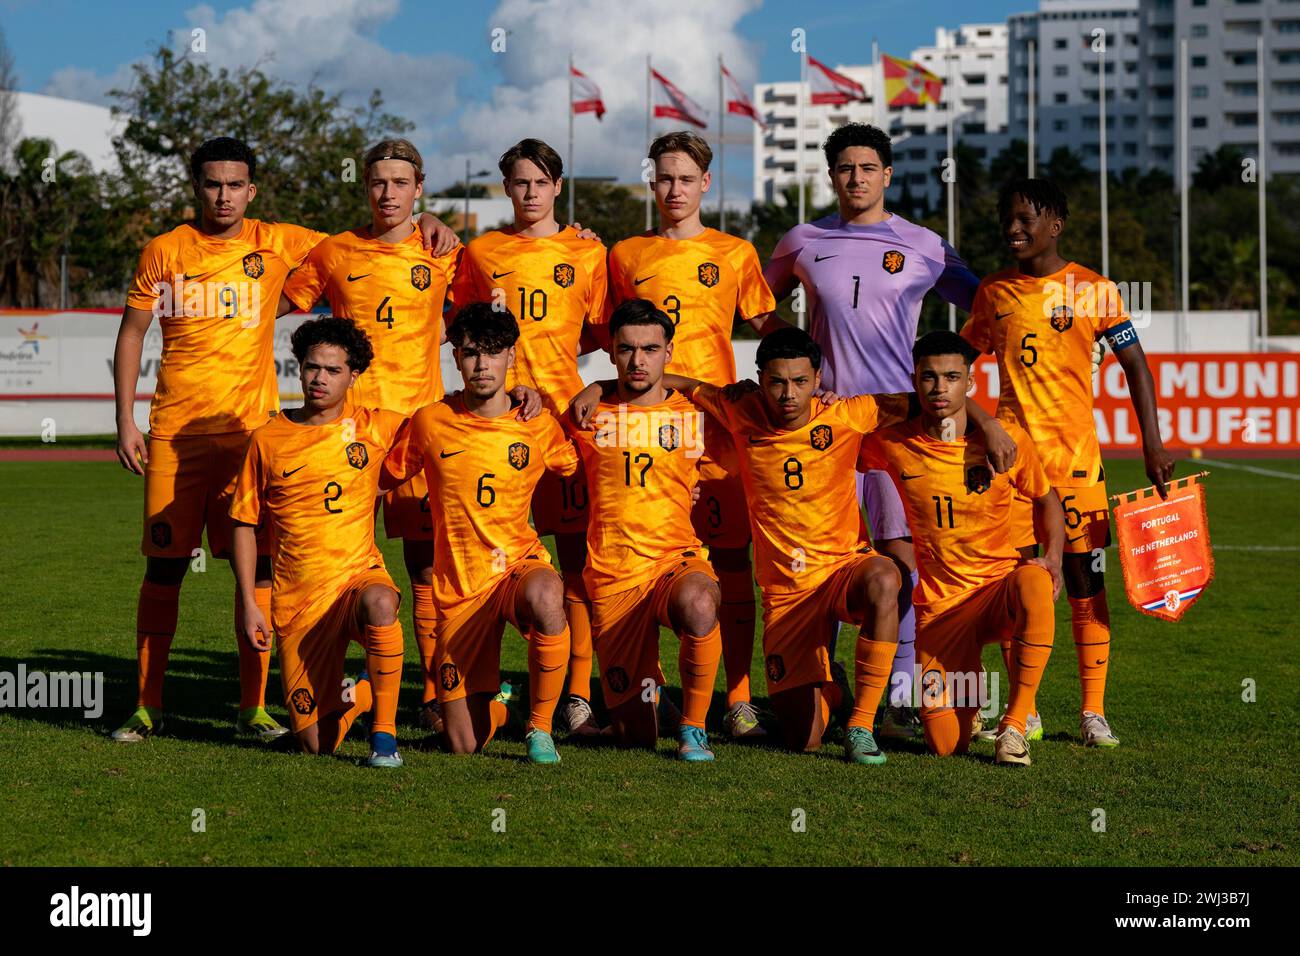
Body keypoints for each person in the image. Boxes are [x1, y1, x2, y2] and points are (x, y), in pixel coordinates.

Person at [111, 136, 458, 744]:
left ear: (252, 190)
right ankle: (147, 704)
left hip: (274, 433)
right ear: (198, 187)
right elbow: (133, 333)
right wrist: (125, 421)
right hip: (177, 434)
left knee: (285, 569)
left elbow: (379, 235)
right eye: (212, 183)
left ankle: (257, 707)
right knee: (165, 569)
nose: (223, 194)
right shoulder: (164, 252)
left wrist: (429, 221)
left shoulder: (283, 241)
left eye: (234, 184)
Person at [764, 121, 1015, 741]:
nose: (856, 178)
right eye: (845, 168)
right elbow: (754, 306)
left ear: (887, 175)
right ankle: (818, 680)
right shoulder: (802, 239)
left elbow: (986, 307)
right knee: (816, 562)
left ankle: (900, 694)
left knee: (903, 562)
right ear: (831, 176)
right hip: (820, 432)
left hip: (898, 430)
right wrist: (795, 358)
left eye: (868, 168)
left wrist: (965, 395)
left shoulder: (923, 245)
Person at [961, 178, 1175, 747]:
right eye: (1007, 218)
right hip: (1012, 464)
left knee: (1085, 581)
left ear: (1055, 224)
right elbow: (957, 368)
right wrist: (980, 427)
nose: (1013, 229)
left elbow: (1136, 366)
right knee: (1018, 583)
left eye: (1026, 219)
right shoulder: (992, 292)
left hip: (1077, 462)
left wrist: (1152, 444)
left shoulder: (1095, 290)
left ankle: (1092, 710)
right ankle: (1023, 710)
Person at [596, 130, 787, 741]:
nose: (674, 189)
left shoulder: (735, 253)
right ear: (651, 183)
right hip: (645, 434)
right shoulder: (624, 254)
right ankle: (633, 690)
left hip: (718, 437)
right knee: (637, 559)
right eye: (663, 178)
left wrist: (822, 367)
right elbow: (608, 334)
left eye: (686, 178)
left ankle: (738, 698)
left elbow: (768, 325)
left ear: (706, 183)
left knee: (730, 566)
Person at [660, 327, 910, 763]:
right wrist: (595, 388)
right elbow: (677, 382)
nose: (787, 394)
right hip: (787, 594)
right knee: (802, 739)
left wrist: (988, 428)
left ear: (818, 379)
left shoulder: (848, 412)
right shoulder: (740, 407)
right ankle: (835, 689)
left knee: (887, 577)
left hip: (843, 569)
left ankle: (862, 725)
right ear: (759, 380)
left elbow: (927, 399)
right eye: (776, 382)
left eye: (799, 381)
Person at [280, 138, 459, 735]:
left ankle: (436, 691)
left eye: (400, 183)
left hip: (417, 431)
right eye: (378, 182)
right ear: (365, 186)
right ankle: (338, 684)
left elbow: (500, 311)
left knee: (425, 568)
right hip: (345, 436)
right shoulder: (334, 251)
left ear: (419, 188)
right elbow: (274, 304)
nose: (388, 193)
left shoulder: (446, 252)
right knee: (336, 563)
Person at [448, 138, 608, 738]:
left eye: (541, 183)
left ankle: (576, 695)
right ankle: (474, 687)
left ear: (558, 187)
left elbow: (600, 333)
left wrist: (558, 377)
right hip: (490, 422)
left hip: (562, 424)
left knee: (572, 566)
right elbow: (464, 329)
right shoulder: (482, 252)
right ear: (507, 189)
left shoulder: (589, 253)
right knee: (482, 557)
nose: (530, 193)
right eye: (519, 183)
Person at [859, 331, 1064, 766]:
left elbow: (1047, 499)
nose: (940, 388)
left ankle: (1014, 724)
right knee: (946, 744)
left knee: (1034, 580)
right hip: (940, 611)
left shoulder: (1007, 443)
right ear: (914, 380)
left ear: (970, 382)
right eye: (928, 377)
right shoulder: (891, 443)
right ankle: (971, 693)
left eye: (952, 377)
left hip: (995, 592)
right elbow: (834, 454)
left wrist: (1055, 559)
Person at [382, 304, 572, 764]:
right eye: (469, 354)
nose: (481, 365)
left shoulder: (537, 423)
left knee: (548, 594)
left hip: (516, 568)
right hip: (459, 590)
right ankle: (505, 701)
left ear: (511, 355)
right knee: (464, 745)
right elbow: (382, 475)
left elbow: (585, 468)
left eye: (492, 353)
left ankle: (540, 728)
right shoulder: (429, 422)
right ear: (457, 358)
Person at [229, 317, 406, 767]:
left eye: (332, 370)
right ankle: (363, 695)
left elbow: (452, 421)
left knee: (382, 602)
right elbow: (244, 524)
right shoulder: (267, 439)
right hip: (298, 604)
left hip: (356, 580)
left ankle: (384, 738)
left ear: (353, 376)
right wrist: (251, 602)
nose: (319, 379)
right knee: (315, 744)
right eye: (312, 368)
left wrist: (525, 397)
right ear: (299, 368)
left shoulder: (380, 427)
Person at [567, 299, 725, 760]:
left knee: (699, 602)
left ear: (669, 352)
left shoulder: (694, 418)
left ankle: (694, 729)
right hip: (614, 575)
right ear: (611, 353)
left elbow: (747, 413)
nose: (638, 360)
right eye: (627, 349)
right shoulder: (585, 417)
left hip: (675, 561)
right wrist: (593, 388)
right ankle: (655, 699)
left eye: (650, 349)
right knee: (635, 735)